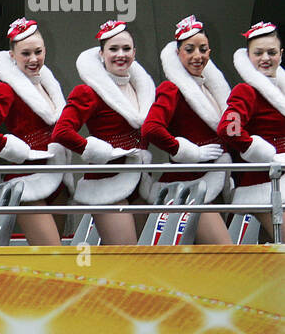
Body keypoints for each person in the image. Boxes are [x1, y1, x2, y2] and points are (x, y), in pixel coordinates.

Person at [52, 21, 154, 245]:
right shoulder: (88, 91)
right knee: (125, 259)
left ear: (135, 52)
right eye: (113, 49)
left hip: (140, 182)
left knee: (144, 260)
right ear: (101, 54)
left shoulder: (142, 89)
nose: (121, 55)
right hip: (107, 184)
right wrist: (95, 150)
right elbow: (61, 131)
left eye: (126, 49)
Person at [0, 18, 69, 246]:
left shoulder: (48, 84)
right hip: (28, 180)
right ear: (12, 56)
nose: (33, 59)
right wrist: (12, 148)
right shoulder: (5, 88)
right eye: (26, 54)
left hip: (58, 177)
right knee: (52, 254)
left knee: (57, 260)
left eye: (38, 52)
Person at [141, 16, 232, 244]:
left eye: (203, 49)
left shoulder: (212, 89)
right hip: (191, 186)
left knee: (211, 264)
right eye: (189, 50)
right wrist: (189, 152)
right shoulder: (171, 88)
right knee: (227, 255)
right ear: (178, 53)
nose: (197, 56)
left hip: (219, 181)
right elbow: (151, 128)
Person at [217, 21, 284, 237]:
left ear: (281, 54)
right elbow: (229, 128)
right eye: (259, 53)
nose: (266, 58)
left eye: (271, 52)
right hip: (263, 188)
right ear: (248, 56)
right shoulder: (246, 91)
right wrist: (262, 152)